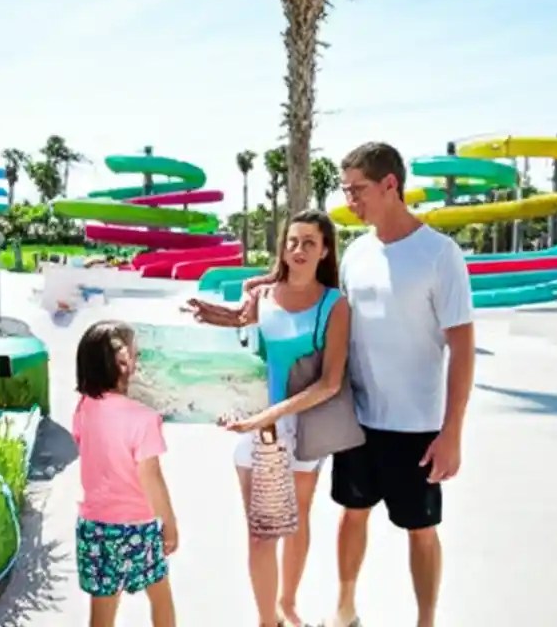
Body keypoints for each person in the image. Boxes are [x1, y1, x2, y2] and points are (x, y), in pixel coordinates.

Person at [240, 142, 475, 627]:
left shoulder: (440, 254)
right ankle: (345, 610)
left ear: (390, 185)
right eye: (346, 190)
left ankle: (426, 620)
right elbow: (315, 299)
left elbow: (463, 347)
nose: (349, 200)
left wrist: (452, 430)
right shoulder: (357, 253)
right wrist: (261, 288)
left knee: (421, 528)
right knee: (352, 513)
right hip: (357, 419)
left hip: (417, 424)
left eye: (357, 189)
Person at [184, 209, 351, 627]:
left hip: (304, 426)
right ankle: (266, 620)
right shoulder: (264, 295)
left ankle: (287, 605)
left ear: (324, 250)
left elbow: (330, 383)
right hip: (257, 428)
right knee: (260, 532)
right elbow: (243, 321)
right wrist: (213, 314)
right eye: (292, 241)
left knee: (295, 520)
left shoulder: (335, 304)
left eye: (309, 242)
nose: (298, 249)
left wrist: (269, 416)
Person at [72, 320, 179, 627]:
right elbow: (151, 478)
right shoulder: (143, 419)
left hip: (95, 526)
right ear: (123, 364)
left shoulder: (84, 407)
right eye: (137, 354)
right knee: (160, 598)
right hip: (137, 528)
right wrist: (169, 524)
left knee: (103, 609)